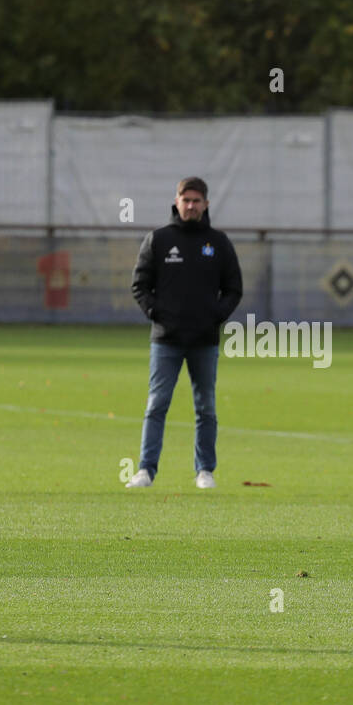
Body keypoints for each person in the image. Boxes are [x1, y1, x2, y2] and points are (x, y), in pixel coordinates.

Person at [127, 177, 243, 489]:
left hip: (204, 341)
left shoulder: (218, 242)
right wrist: (156, 313)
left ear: (206, 204)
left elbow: (234, 288)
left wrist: (216, 316)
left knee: (205, 406)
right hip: (166, 340)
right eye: (186, 200)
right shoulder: (159, 239)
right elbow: (139, 285)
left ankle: (205, 470)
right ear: (177, 202)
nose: (190, 206)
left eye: (196, 200)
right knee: (157, 403)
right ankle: (145, 470)